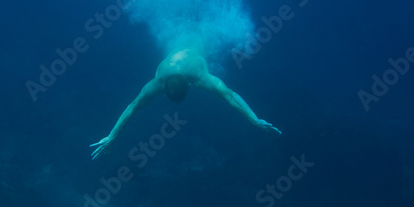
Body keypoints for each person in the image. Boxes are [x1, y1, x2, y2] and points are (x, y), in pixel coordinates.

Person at [90, 45, 281, 159]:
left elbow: (230, 95)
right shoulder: (160, 81)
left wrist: (254, 119)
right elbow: (229, 96)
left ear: (191, 85)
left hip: (199, 36)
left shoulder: (198, 76)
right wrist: (111, 136)